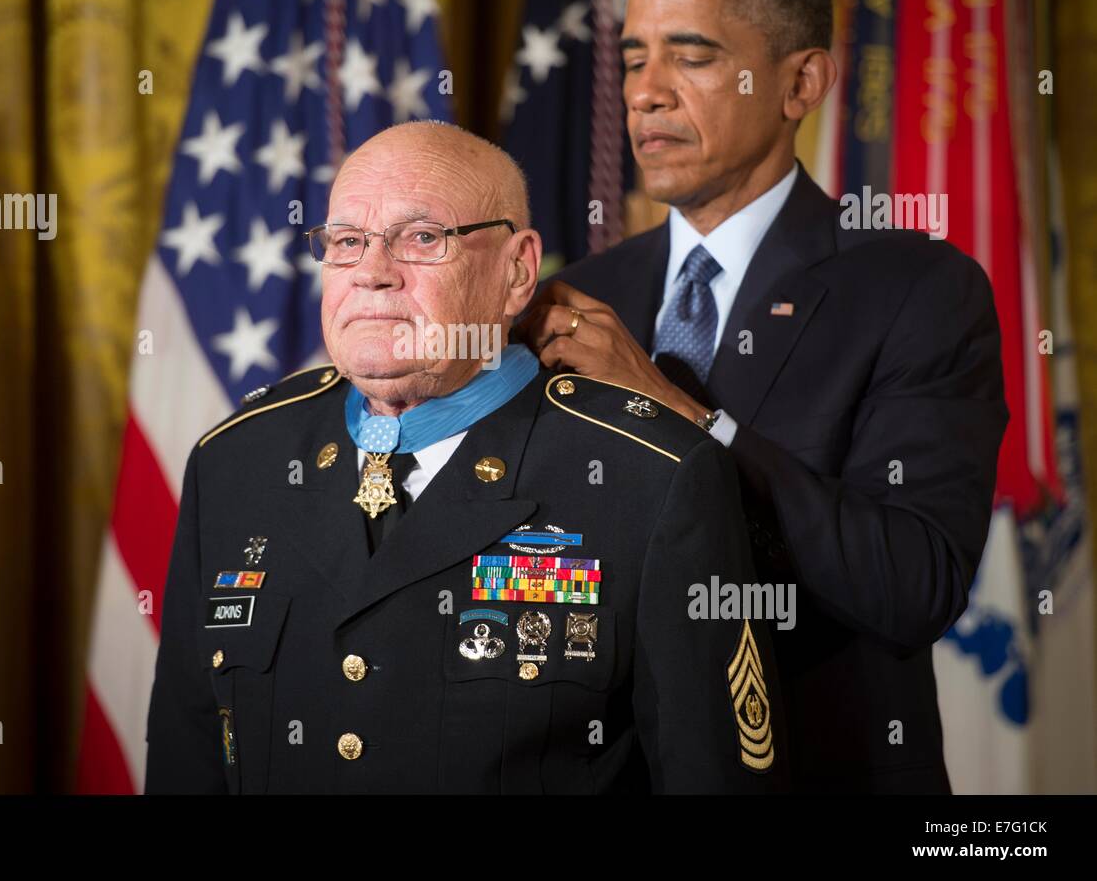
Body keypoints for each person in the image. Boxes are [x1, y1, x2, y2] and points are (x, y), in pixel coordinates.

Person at [145, 121, 789, 793]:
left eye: (422, 238)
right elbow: (186, 761)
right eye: (345, 242)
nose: (371, 273)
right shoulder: (235, 462)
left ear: (517, 272)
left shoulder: (650, 477)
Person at [518, 0, 1008, 793]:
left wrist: (686, 416)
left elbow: (912, 583)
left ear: (801, 82)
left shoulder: (919, 290)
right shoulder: (572, 296)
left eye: (692, 56)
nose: (647, 94)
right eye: (634, 59)